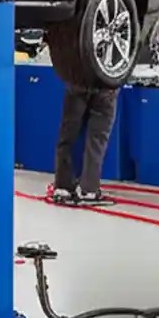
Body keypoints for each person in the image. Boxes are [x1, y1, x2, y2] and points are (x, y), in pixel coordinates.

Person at [45, 24, 119, 206]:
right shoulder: (114, 23)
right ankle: (89, 189)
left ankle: (63, 186)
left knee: (68, 136)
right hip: (105, 85)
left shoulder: (78, 21)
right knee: (97, 140)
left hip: (78, 82)